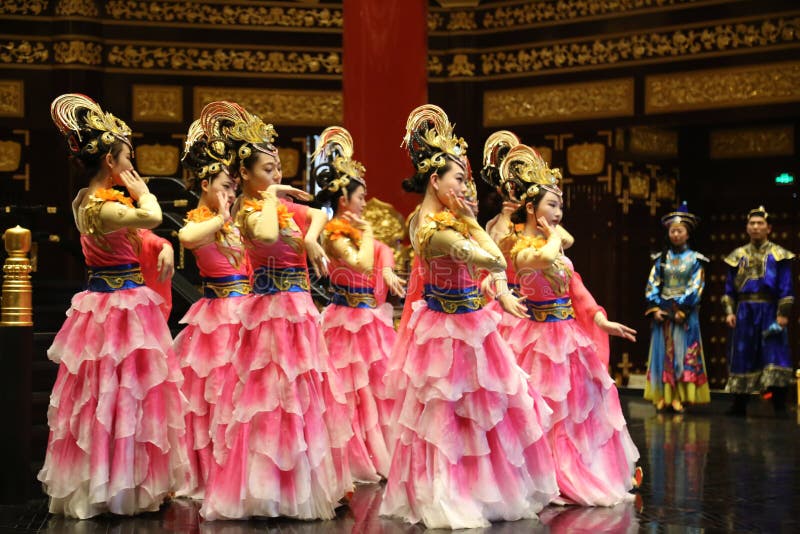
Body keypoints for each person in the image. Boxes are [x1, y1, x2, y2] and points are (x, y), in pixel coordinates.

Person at [380, 105, 558, 530]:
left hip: (467, 321)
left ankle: (477, 488)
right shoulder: (431, 227)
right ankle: (448, 494)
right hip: (449, 328)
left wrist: (464, 218)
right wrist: (469, 221)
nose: (465, 185)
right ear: (435, 179)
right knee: (448, 416)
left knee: (480, 411)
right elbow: (496, 261)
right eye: (458, 178)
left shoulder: (440, 218)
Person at [200, 104, 358, 520]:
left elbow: (317, 218)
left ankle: (304, 482)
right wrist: (272, 197)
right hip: (269, 312)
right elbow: (267, 234)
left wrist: (309, 240)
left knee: (304, 395)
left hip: (299, 308)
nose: (277, 177)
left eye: (277, 169)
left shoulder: (280, 207)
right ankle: (267, 487)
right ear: (246, 175)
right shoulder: (249, 211)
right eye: (268, 170)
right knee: (270, 397)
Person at [39, 93, 188, 518]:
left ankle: (126, 480)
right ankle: (114, 486)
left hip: (104, 303)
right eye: (127, 158)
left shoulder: (89, 201)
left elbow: (139, 238)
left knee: (118, 391)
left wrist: (161, 247)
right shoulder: (104, 206)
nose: (132, 166)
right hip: (120, 305)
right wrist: (143, 192)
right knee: (115, 392)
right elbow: (153, 218)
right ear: (110, 161)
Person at [499, 143, 641, 506]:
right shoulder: (519, 247)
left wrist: (600, 320)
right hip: (536, 338)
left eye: (561, 205)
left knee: (579, 410)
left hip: (567, 335)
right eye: (552, 204)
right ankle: (543, 474)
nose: (559, 212)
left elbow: (576, 288)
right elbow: (542, 261)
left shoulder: (555, 245)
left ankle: (577, 468)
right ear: (531, 208)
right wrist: (554, 238)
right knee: (543, 410)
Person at [311, 126, 405, 480]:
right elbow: (363, 261)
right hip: (345, 316)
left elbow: (381, 253)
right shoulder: (335, 233)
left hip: (368, 316)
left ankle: (379, 449)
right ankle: (352, 455)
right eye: (360, 196)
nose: (365, 202)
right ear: (344, 199)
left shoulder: (359, 229)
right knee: (350, 388)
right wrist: (367, 236)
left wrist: (388, 269)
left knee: (376, 387)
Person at [172, 104, 252, 499]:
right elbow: (188, 240)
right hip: (217, 314)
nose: (230, 193)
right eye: (225, 185)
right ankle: (210, 471)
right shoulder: (199, 220)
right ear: (205, 185)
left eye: (234, 187)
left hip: (246, 309)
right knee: (213, 394)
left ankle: (241, 469)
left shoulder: (235, 219)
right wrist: (222, 217)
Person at [481, 130, 574, 339]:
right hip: (513, 300)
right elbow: (497, 254)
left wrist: (544, 220)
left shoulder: (539, 228)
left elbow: (568, 241)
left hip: (544, 306)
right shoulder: (500, 224)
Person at [722, 205, 795, 417]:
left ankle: (779, 405)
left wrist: (783, 313)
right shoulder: (737, 255)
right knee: (742, 354)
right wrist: (729, 311)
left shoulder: (779, 255)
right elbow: (728, 290)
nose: (755, 227)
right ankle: (739, 404)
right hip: (744, 310)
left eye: (760, 223)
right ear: (747, 228)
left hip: (770, 310)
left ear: (768, 228)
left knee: (775, 354)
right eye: (752, 224)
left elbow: (786, 287)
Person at [644, 202, 710, 413]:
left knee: (683, 354)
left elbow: (696, 286)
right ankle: (664, 395)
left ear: (687, 234)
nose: (675, 234)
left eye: (679, 230)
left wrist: (683, 309)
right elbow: (652, 284)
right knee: (663, 354)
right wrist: (655, 308)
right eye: (672, 230)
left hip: (685, 315)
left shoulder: (695, 259)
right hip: (663, 313)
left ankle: (681, 396)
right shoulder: (660, 260)